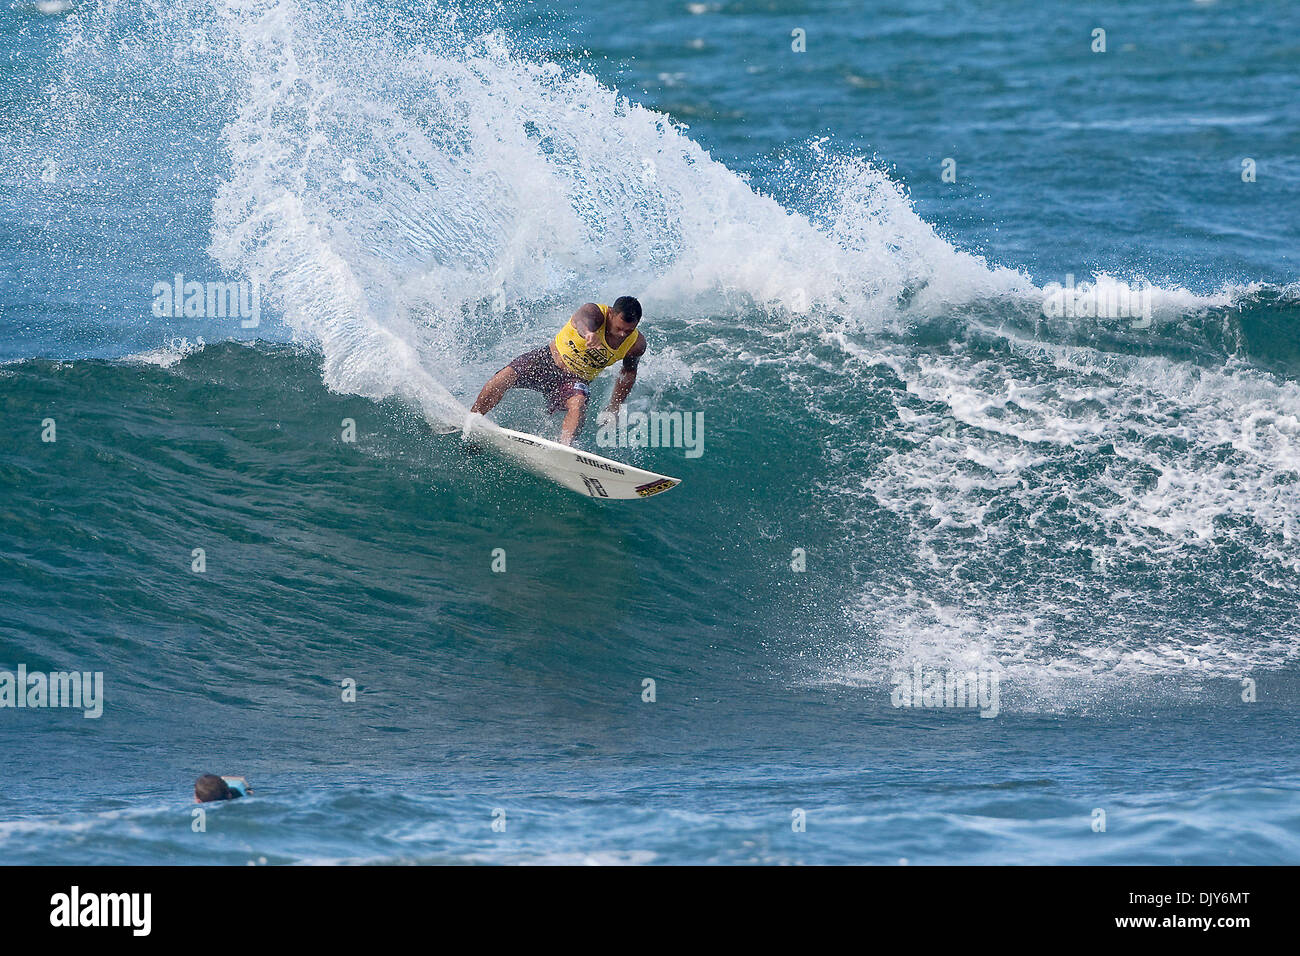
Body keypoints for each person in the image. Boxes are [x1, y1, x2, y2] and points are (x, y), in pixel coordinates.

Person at [470, 296, 646, 445]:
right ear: (611, 314)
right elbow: (580, 321)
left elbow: (628, 373)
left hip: (575, 379)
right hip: (546, 360)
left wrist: (615, 404)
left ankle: (564, 450)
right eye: (619, 328)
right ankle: (473, 419)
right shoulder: (595, 312)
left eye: (628, 331)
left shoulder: (636, 344)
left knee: (578, 405)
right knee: (502, 379)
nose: (623, 334)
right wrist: (588, 333)